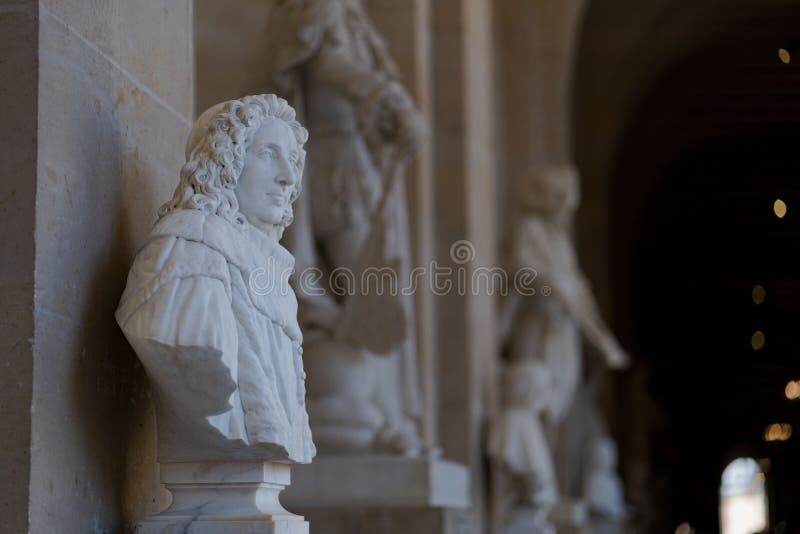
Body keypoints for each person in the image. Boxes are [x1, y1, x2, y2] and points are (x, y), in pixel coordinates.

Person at [115, 94, 315, 463]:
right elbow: (193, 349)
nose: (288, 176)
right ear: (225, 162)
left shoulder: (275, 286)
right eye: (268, 154)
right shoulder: (186, 260)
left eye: (293, 160)